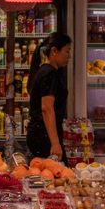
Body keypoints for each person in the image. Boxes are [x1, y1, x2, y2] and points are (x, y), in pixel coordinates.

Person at [26, 32, 72, 160]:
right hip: (44, 135)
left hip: (41, 133)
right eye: (67, 51)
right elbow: (47, 108)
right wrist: (55, 144)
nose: (69, 56)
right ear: (54, 51)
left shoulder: (45, 71)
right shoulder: (49, 74)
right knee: (54, 174)